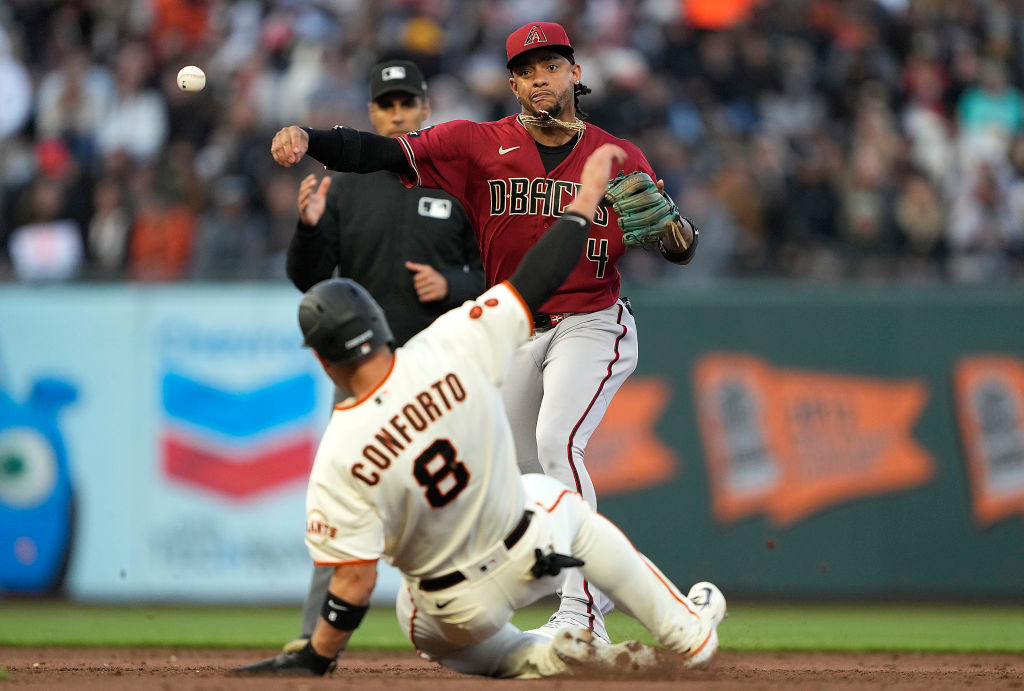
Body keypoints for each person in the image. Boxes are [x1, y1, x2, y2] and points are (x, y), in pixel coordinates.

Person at [268, 21, 697, 644]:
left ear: (576, 73)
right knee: (521, 473)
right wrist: (311, 138)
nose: (538, 78)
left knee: (557, 443)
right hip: (520, 329)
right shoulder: (476, 144)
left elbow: (676, 244)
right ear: (513, 84)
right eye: (525, 70)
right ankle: (583, 590)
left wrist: (675, 232)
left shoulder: (617, 154)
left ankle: (582, 613)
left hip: (592, 319)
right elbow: (382, 153)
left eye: (550, 65)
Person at [232, 143, 724, 680]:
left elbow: (353, 585)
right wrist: (580, 207)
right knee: (558, 500)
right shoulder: (449, 345)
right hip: (523, 555)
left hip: (445, 613)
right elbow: (534, 280)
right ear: (377, 323)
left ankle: (536, 658)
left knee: (420, 618)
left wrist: (315, 655)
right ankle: (687, 632)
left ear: (324, 361)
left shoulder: (338, 454)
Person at [284, 59, 483, 651]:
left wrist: (455, 285)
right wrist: (310, 229)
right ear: (373, 114)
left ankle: (474, 631)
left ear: (426, 109)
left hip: (440, 371)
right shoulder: (345, 184)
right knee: (343, 503)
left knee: (457, 507)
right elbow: (309, 280)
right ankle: (312, 638)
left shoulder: (457, 179)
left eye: (407, 103)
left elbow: (500, 270)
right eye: (387, 105)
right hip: (363, 374)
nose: (397, 113)